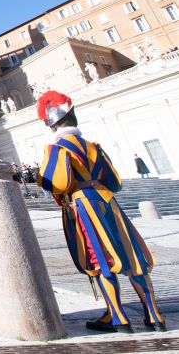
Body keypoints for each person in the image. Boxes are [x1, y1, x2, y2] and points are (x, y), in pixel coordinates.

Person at [36, 90, 165, 333]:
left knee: (99, 257)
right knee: (130, 253)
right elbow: (115, 182)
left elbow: (56, 183)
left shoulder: (57, 149)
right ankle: (154, 314)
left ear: (51, 123)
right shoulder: (94, 146)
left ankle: (117, 317)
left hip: (83, 205)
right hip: (108, 203)